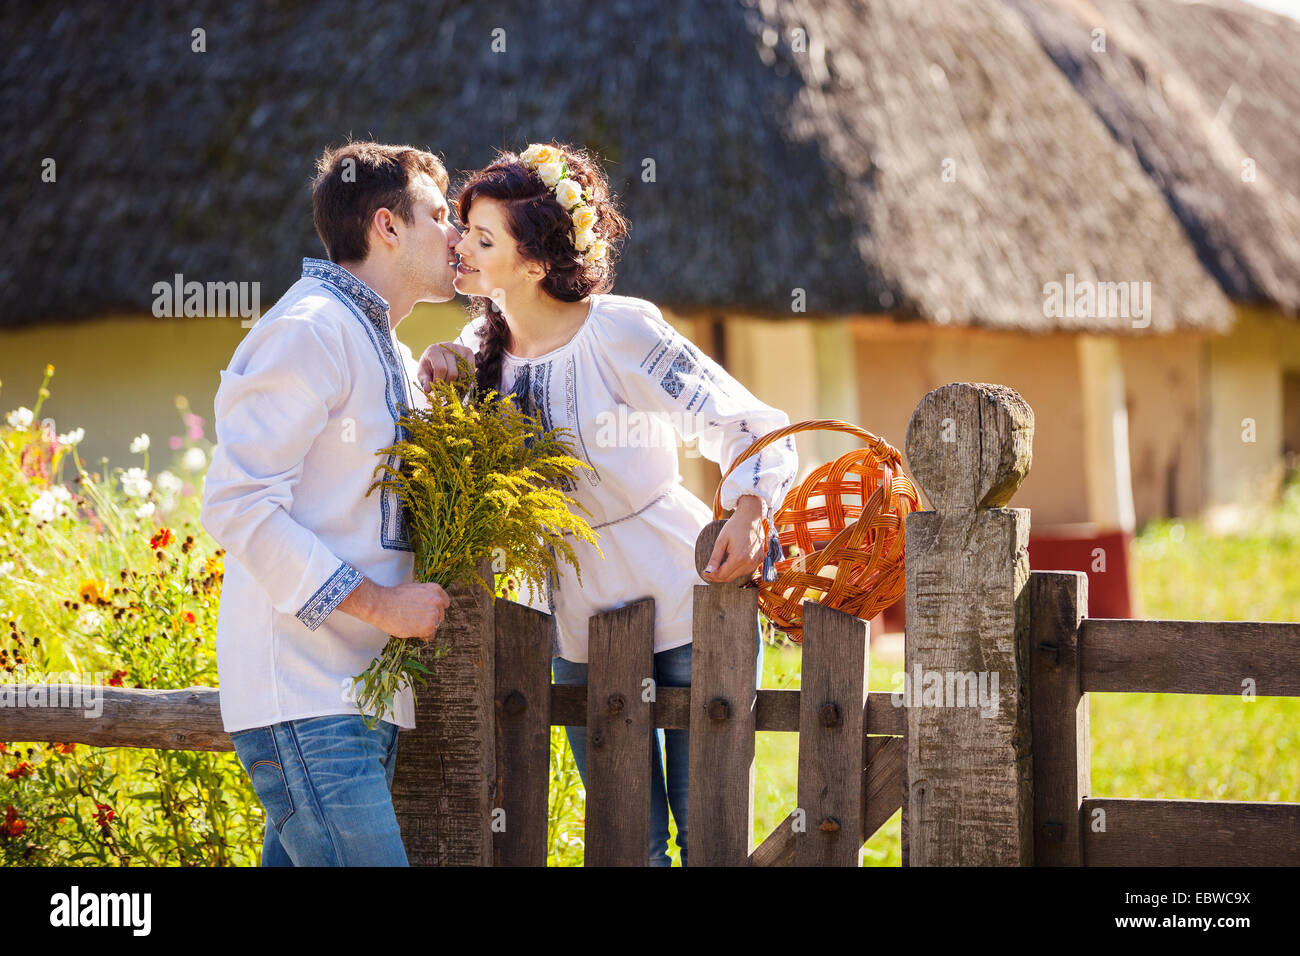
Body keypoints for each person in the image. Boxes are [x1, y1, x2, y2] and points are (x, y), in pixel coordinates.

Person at [417, 142, 798, 866]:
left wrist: (751, 511)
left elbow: (744, 421)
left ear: (534, 262)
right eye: (463, 228)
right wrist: (442, 374)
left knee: (710, 837)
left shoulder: (621, 330)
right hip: (575, 627)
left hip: (687, 601)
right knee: (630, 845)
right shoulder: (476, 350)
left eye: (481, 236)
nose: (458, 246)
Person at [200, 141, 462, 866]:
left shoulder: (387, 348)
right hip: (306, 698)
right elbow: (237, 504)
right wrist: (383, 606)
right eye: (439, 215)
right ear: (387, 227)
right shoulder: (310, 327)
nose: (457, 235)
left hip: (352, 699)